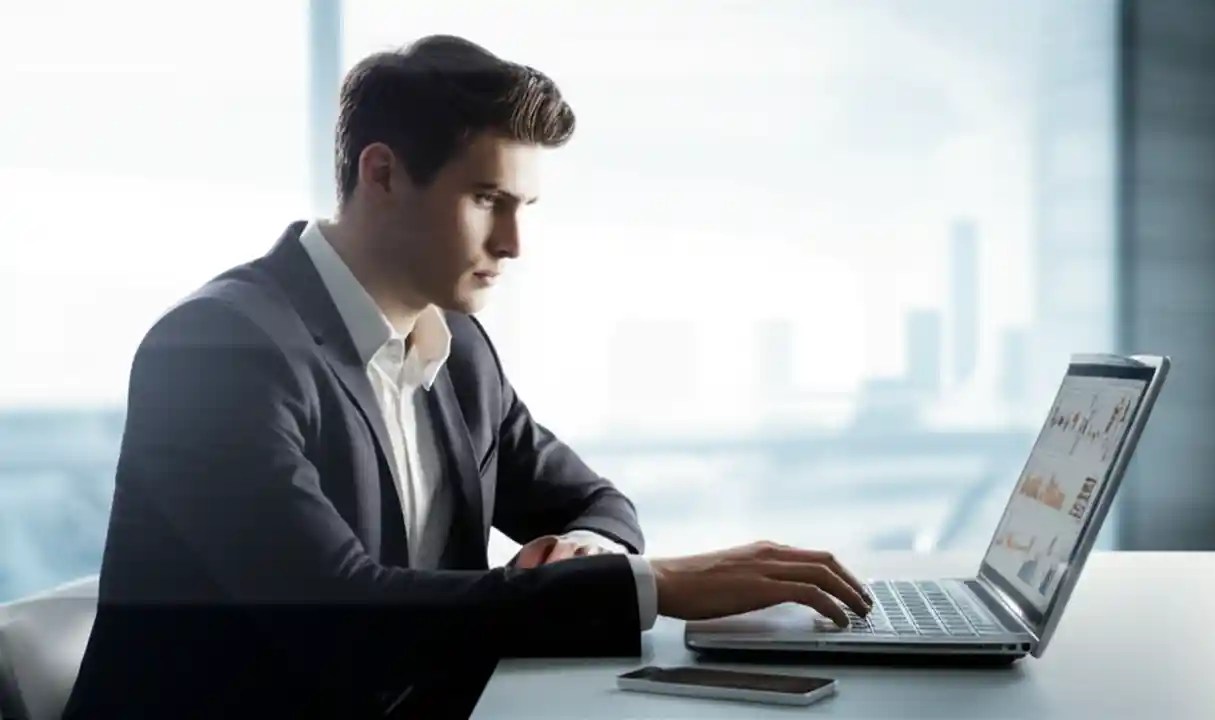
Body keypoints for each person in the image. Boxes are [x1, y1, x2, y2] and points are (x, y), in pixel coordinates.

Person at [63, 35, 872, 718]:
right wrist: (651, 586)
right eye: (488, 199)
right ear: (382, 174)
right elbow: (332, 611)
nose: (514, 243)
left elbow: (594, 503)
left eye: (525, 207)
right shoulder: (215, 351)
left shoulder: (459, 351)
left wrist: (588, 553)